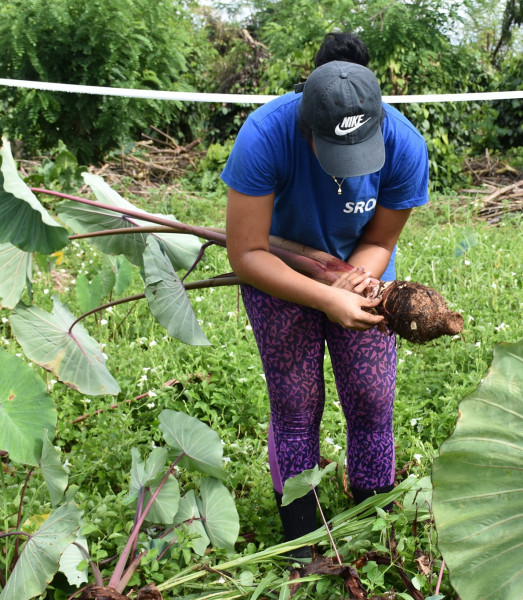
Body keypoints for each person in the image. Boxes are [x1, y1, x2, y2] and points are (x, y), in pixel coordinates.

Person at [220, 35, 429, 553]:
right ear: (306, 128)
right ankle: (302, 538)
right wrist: (323, 297)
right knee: (295, 404)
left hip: (359, 271)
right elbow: (246, 253)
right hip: (278, 277)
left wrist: (351, 285)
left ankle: (372, 516)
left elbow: (380, 239)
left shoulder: (405, 145)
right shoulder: (265, 136)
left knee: (372, 398)